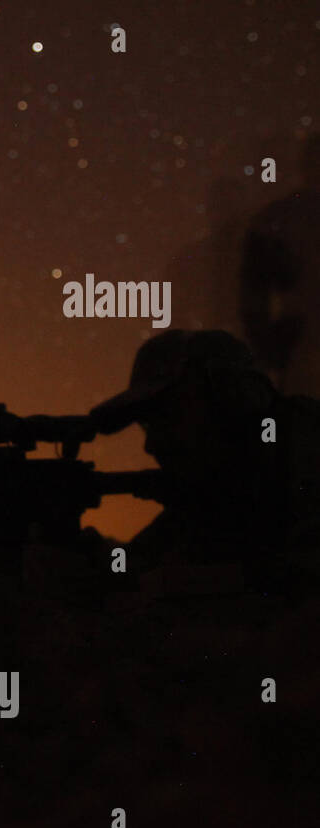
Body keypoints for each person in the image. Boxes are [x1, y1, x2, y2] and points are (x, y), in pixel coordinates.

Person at [89, 330, 320, 585]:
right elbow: (137, 562)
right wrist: (92, 557)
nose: (151, 445)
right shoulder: (214, 492)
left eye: (167, 416)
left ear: (233, 400)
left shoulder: (303, 460)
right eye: (147, 423)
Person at [239, 133, 320, 395]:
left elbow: (253, 298)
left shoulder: (275, 221)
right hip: (301, 351)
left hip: (299, 351)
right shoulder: (276, 222)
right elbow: (254, 297)